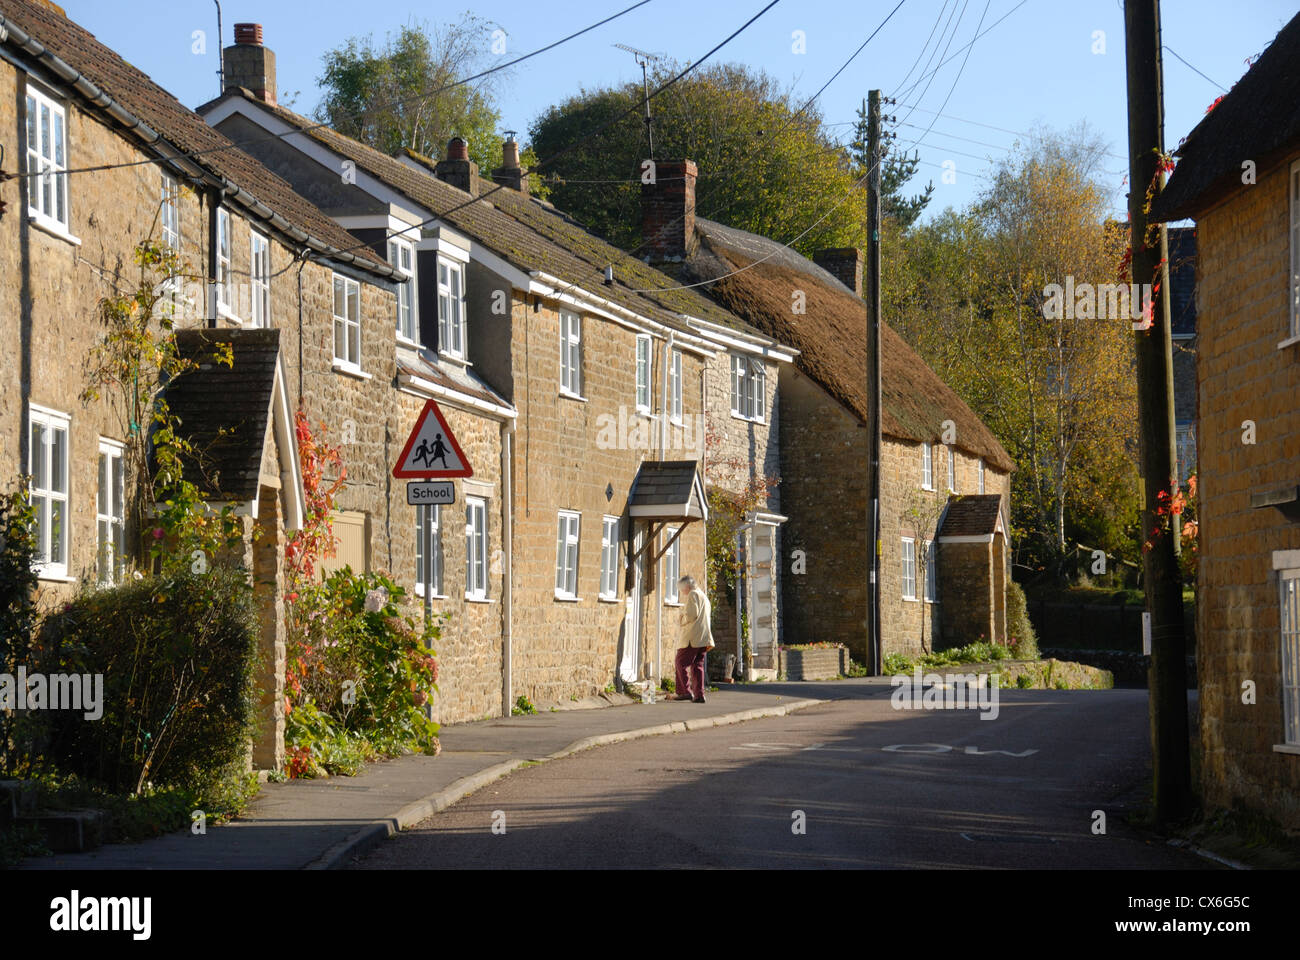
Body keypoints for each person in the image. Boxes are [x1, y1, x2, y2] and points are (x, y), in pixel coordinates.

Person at [670, 575, 714, 703]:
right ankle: (699, 695)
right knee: (697, 665)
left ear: (687, 587)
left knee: (680, 662)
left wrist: (681, 618)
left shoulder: (693, 594)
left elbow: (691, 615)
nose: (682, 593)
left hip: (693, 637)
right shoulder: (704, 596)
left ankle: (685, 692)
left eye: (682, 590)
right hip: (704, 637)